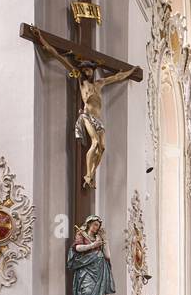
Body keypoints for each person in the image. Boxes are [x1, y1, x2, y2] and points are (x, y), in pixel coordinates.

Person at [33, 30, 141, 189]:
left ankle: (91, 173)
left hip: (99, 119)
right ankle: (88, 175)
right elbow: (59, 57)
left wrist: (132, 71)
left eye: (89, 69)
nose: (87, 71)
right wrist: (43, 41)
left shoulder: (100, 83)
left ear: (93, 70)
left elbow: (117, 77)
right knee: (95, 142)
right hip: (87, 116)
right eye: (85, 69)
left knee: (102, 148)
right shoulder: (81, 82)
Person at [67, 215, 115, 295]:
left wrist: (105, 239)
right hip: (86, 269)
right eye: (95, 224)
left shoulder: (99, 238)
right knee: (86, 291)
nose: (96, 227)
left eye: (98, 226)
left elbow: (107, 255)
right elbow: (77, 248)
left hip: (99, 271)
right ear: (89, 224)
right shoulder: (81, 234)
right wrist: (93, 245)